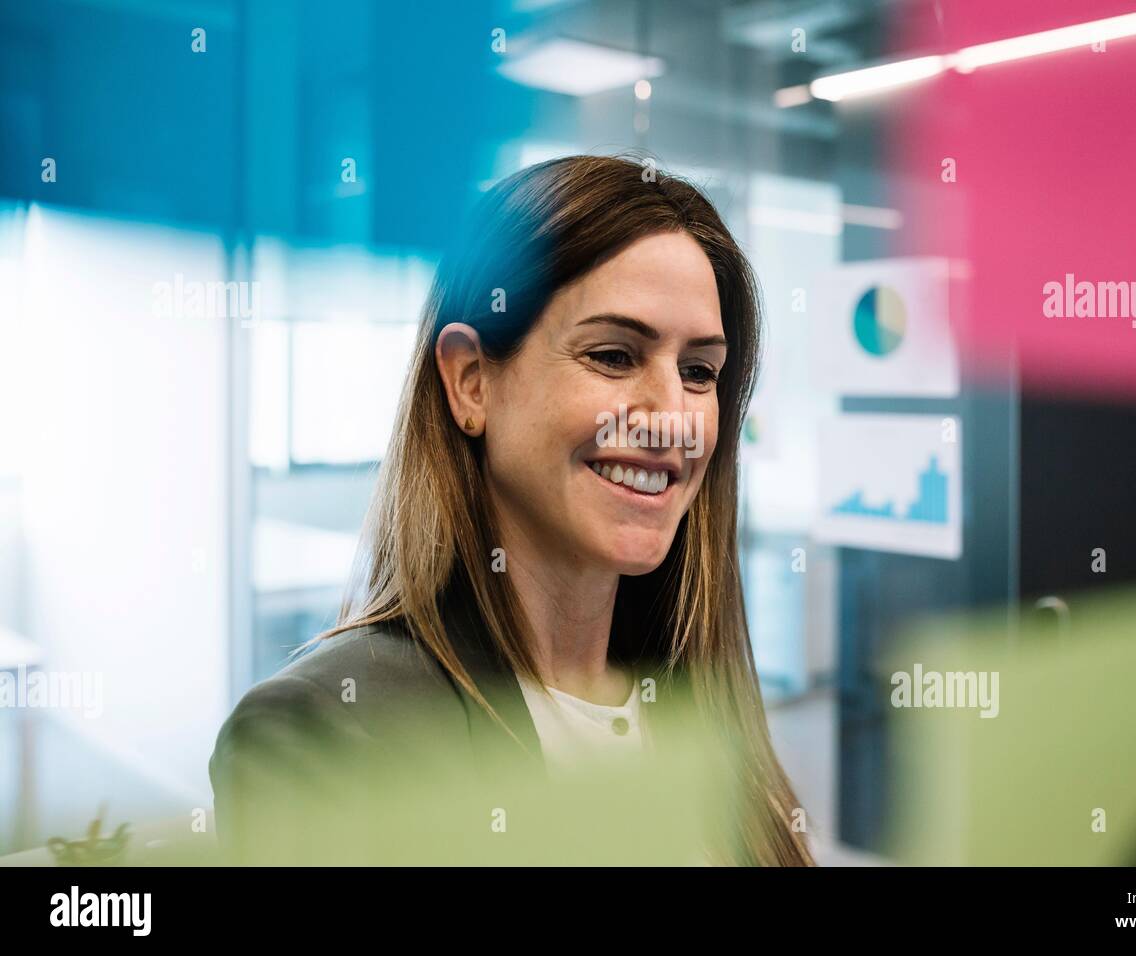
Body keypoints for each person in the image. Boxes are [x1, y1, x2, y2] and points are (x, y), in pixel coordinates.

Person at [208, 154, 814, 866]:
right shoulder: (325, 732)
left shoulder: (704, 713)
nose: (671, 418)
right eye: (615, 355)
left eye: (698, 372)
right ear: (470, 383)